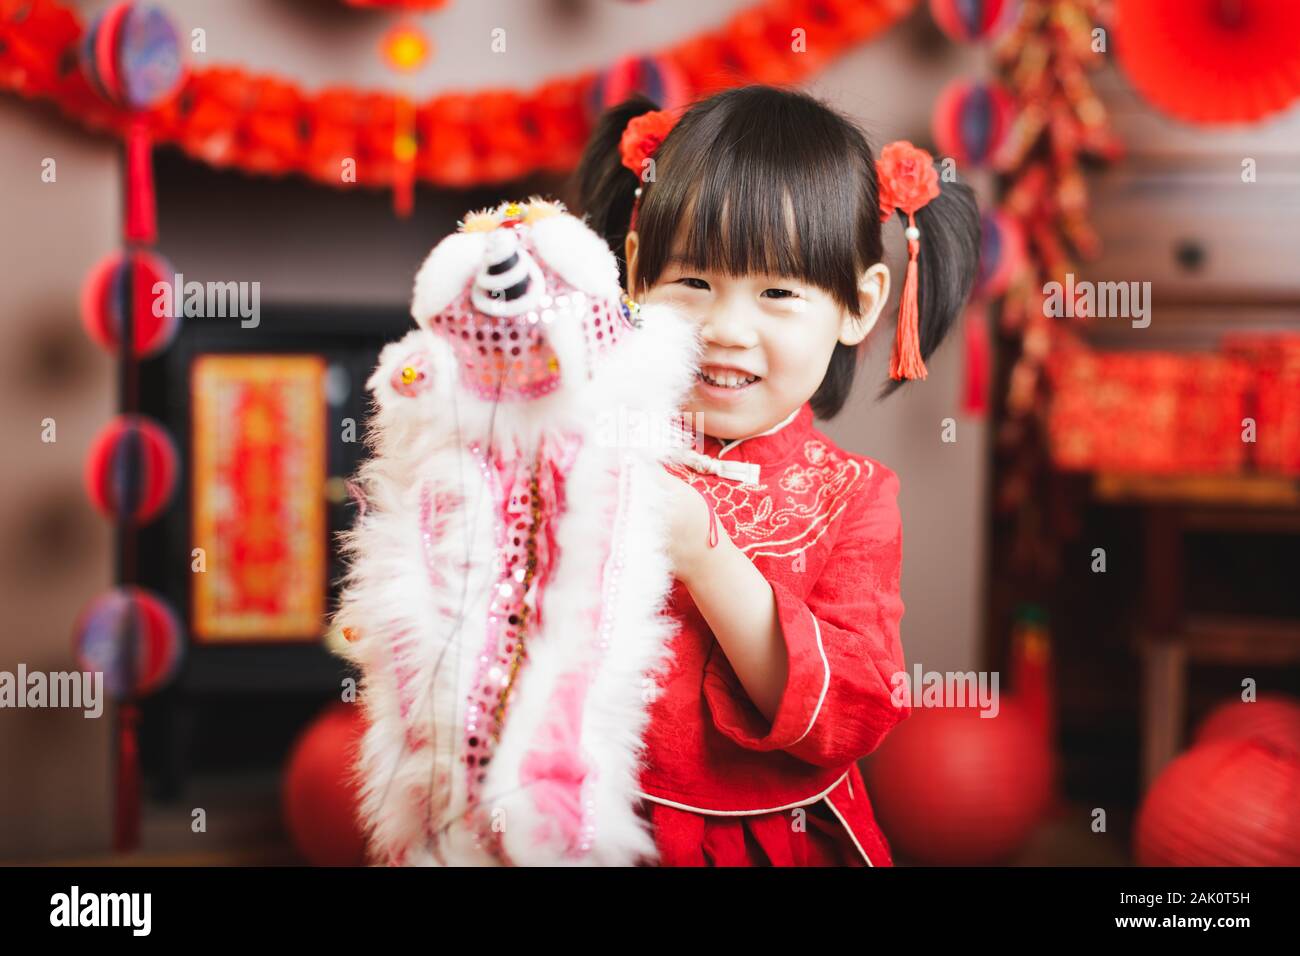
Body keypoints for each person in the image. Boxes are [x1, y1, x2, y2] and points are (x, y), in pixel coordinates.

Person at [574, 84, 980, 865]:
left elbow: (851, 715)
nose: (727, 330)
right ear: (635, 276)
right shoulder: (585, 446)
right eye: (693, 283)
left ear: (860, 305)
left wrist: (703, 553)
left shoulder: (852, 499)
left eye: (778, 293)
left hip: (759, 841)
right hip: (581, 825)